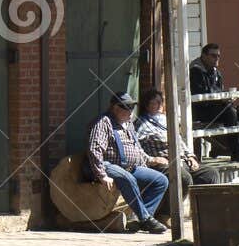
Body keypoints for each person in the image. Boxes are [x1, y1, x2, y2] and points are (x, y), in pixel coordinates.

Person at [84, 91, 168, 234]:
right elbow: (95, 150)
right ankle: (146, 219)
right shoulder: (103, 122)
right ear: (115, 108)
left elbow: (137, 148)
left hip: (129, 167)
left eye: (132, 108)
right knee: (126, 178)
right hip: (107, 165)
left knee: (160, 180)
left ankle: (138, 219)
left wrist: (149, 160)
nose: (131, 112)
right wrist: (102, 175)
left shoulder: (128, 123)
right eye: (127, 108)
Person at [134, 87, 217, 201]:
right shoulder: (142, 124)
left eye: (161, 102)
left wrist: (191, 157)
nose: (159, 105)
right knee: (183, 177)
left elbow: (180, 141)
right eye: (155, 102)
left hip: (183, 161)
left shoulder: (166, 120)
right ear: (147, 105)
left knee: (210, 173)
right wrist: (151, 159)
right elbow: (135, 146)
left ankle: (203, 209)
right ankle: (169, 213)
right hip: (166, 164)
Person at [189, 43, 239, 160]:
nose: (217, 59)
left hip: (217, 107)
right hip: (201, 110)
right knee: (230, 112)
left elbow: (218, 91)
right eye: (213, 56)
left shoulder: (216, 73)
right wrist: (222, 99)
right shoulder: (195, 71)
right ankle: (236, 153)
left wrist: (227, 98)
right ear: (204, 56)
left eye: (218, 56)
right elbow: (199, 94)